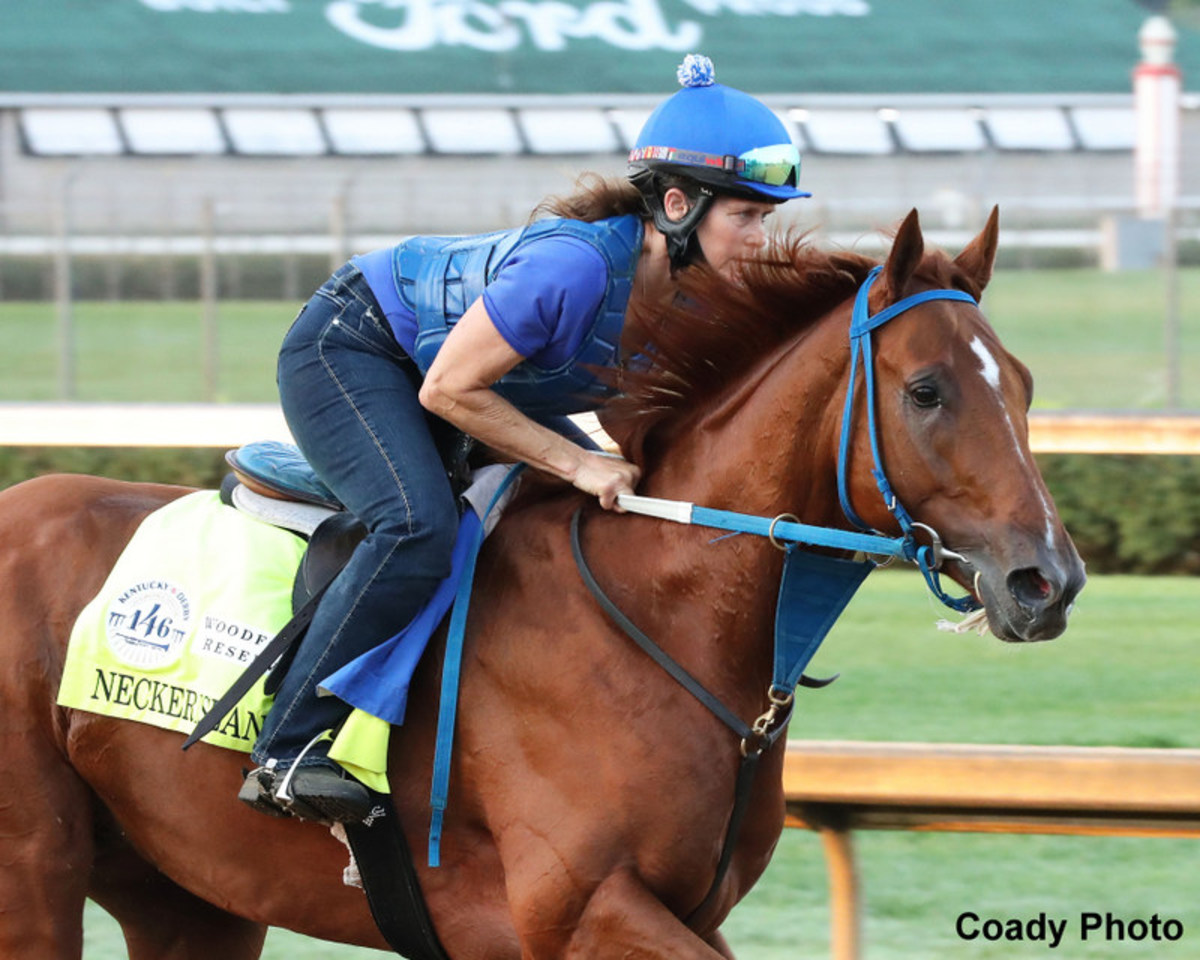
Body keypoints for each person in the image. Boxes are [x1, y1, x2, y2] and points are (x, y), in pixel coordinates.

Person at [239, 54, 810, 822]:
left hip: (465, 379)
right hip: (353, 346)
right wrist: (575, 460)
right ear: (676, 205)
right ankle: (287, 748)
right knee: (416, 524)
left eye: (764, 219)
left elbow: (637, 429)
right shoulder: (572, 268)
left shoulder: (689, 300)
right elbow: (447, 389)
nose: (756, 239)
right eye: (745, 216)